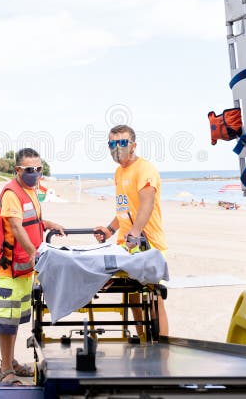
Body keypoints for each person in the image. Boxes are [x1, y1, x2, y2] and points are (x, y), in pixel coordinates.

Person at [0, 148, 65, 384]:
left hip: (22, 270)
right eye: (29, 169)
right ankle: (6, 370)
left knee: (15, 319)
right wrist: (33, 251)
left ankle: (9, 362)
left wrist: (49, 224)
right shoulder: (11, 193)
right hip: (7, 269)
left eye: (38, 169)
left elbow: (32, 220)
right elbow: (17, 226)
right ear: (17, 170)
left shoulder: (31, 191)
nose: (35, 173)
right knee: (6, 322)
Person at [94, 124, 169, 337]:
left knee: (154, 300)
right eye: (112, 143)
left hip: (148, 243)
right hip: (127, 245)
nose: (117, 148)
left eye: (122, 143)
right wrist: (109, 230)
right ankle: (144, 341)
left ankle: (162, 347)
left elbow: (147, 204)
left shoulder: (145, 169)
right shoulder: (119, 172)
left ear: (133, 145)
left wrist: (135, 234)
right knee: (133, 299)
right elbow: (124, 209)